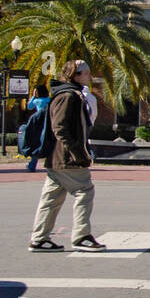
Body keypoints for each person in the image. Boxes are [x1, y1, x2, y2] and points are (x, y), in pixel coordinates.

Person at [29, 60, 104, 252]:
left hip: (57, 158)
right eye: (86, 72)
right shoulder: (69, 96)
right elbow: (60, 128)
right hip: (66, 157)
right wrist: (78, 153)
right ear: (75, 75)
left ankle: (39, 239)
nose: (90, 75)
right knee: (84, 191)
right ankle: (81, 236)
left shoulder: (68, 94)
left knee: (51, 199)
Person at [22, 84, 50, 173]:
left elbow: (29, 107)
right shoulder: (49, 100)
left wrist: (33, 96)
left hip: (39, 124)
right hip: (48, 122)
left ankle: (32, 166)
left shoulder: (37, 101)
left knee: (37, 143)